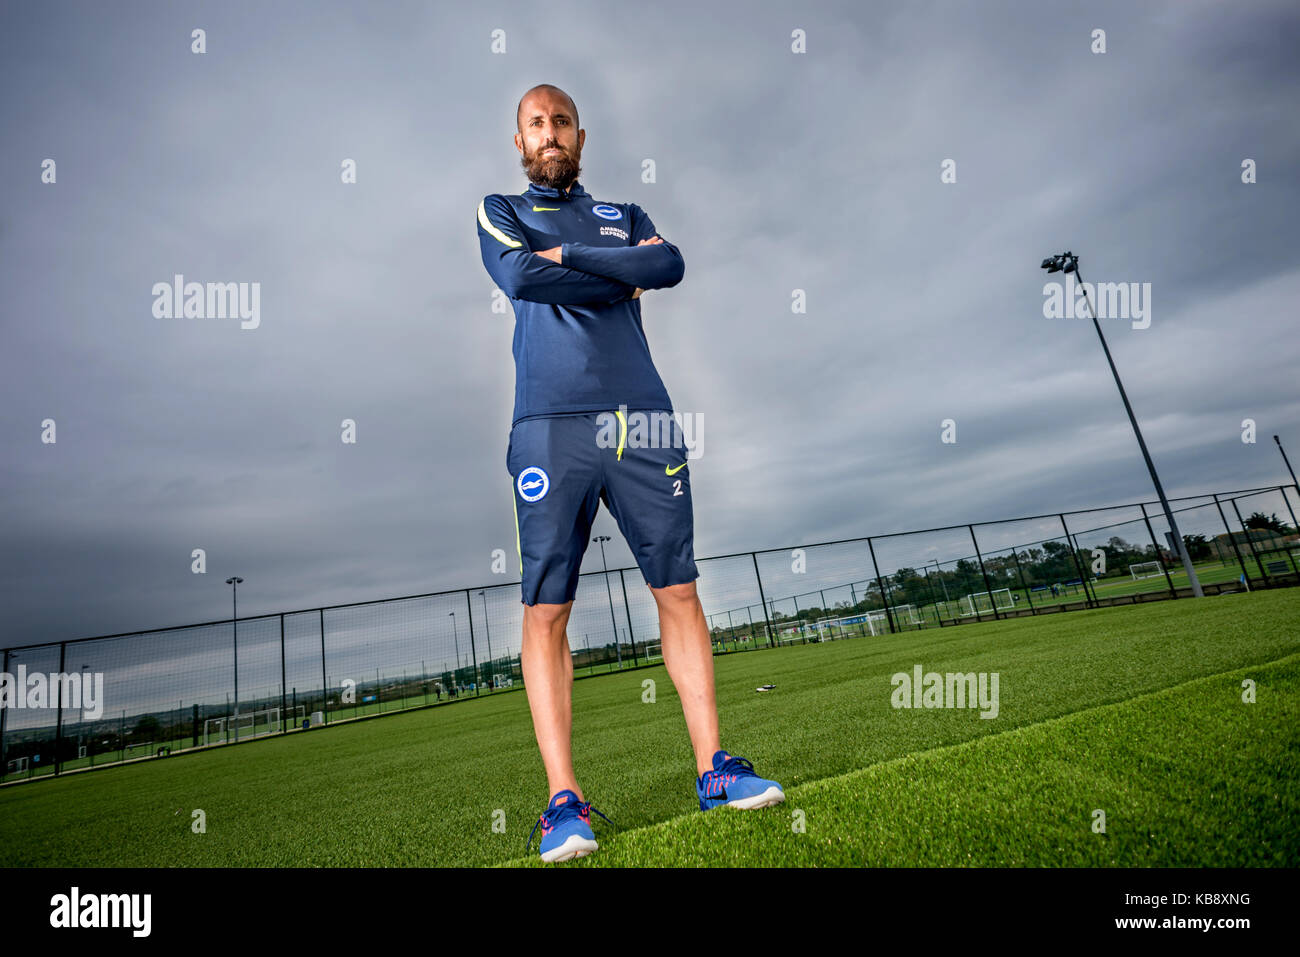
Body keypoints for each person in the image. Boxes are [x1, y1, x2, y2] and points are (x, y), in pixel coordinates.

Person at [477, 84, 784, 863]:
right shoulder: (500, 210)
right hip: (549, 423)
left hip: (642, 417)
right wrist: (619, 275)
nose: (549, 133)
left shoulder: (627, 214)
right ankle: (563, 802)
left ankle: (715, 768)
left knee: (677, 587)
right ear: (519, 142)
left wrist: (576, 257)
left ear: (582, 134)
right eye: (535, 124)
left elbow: (669, 263)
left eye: (561, 121)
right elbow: (520, 280)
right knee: (548, 606)